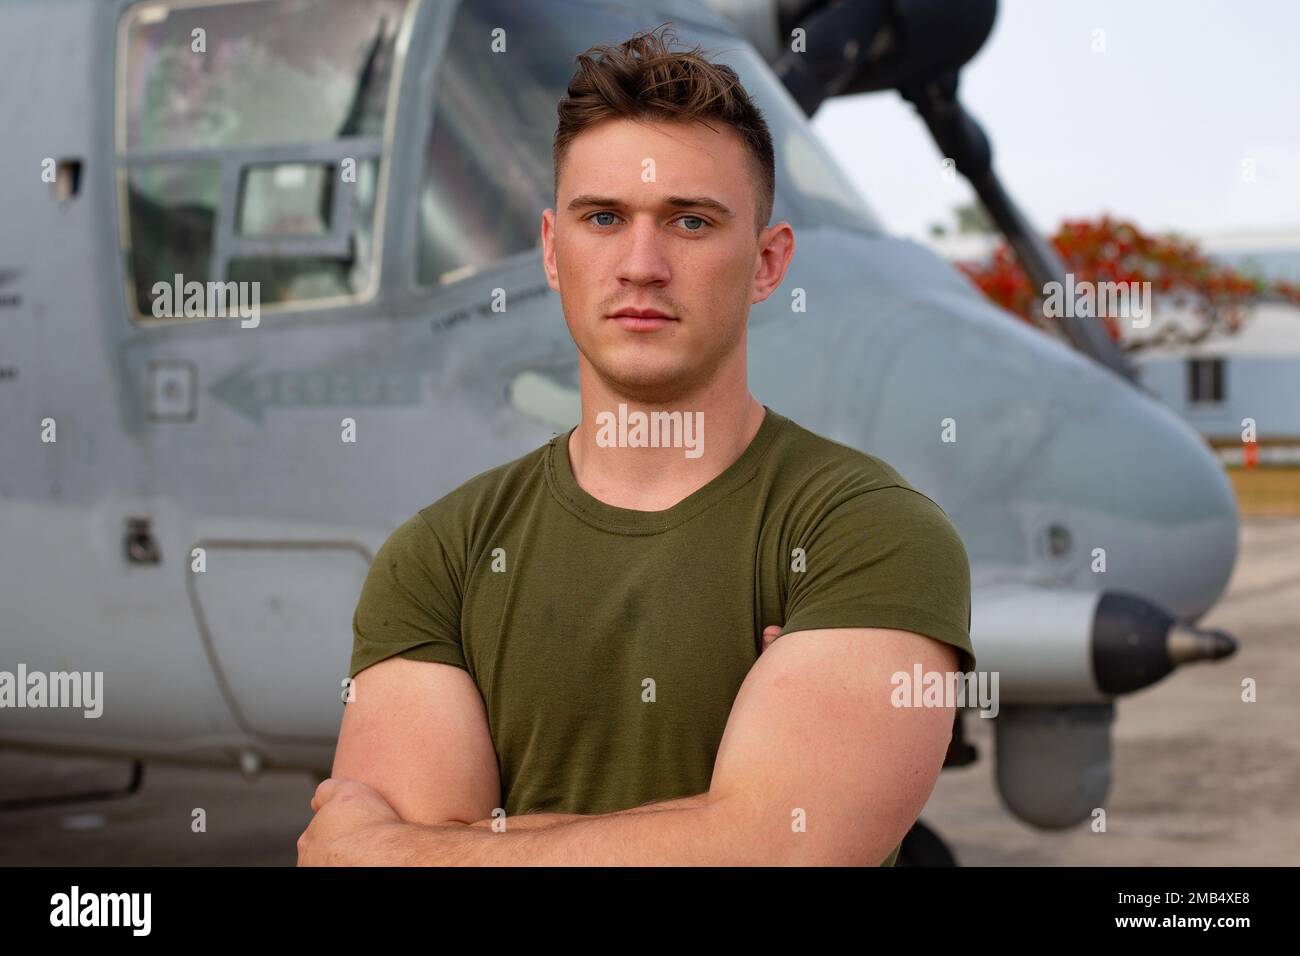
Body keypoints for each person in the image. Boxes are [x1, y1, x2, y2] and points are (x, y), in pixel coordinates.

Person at [297, 23, 975, 867]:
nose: (641, 263)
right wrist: (709, 825)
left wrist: (429, 848)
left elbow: (780, 850)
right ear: (553, 251)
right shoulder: (439, 557)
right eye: (604, 218)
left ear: (767, 264)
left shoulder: (869, 536)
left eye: (691, 222)